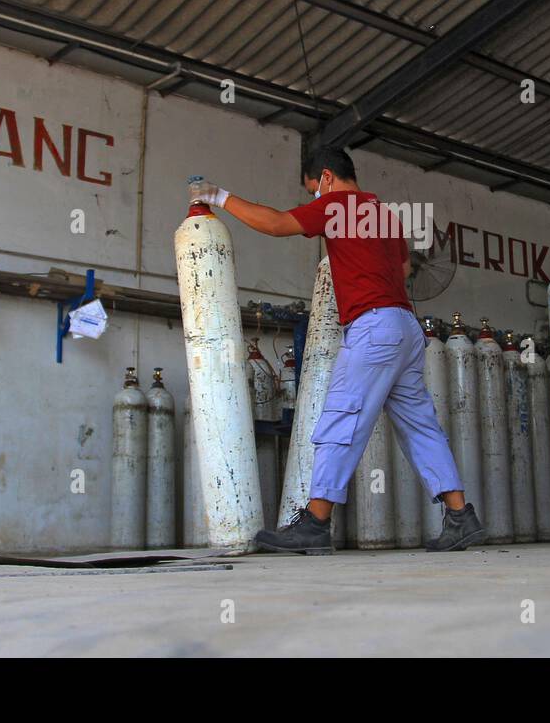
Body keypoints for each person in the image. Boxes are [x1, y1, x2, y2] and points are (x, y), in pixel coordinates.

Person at [187, 148, 485, 554]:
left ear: (326, 177)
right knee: (421, 427)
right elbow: (402, 270)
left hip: (374, 329)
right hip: (406, 328)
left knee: (341, 418)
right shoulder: (386, 215)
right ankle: (460, 516)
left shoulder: (336, 205)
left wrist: (220, 197)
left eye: (313, 189)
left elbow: (275, 224)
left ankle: (315, 521)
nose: (315, 197)